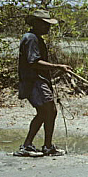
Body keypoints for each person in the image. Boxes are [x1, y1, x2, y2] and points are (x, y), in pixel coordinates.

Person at [14, 9, 72, 157]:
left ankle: (44, 146)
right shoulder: (31, 38)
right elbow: (33, 62)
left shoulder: (36, 38)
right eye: (45, 24)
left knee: (47, 112)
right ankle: (30, 146)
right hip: (34, 81)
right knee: (49, 111)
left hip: (38, 81)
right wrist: (57, 67)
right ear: (36, 23)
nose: (48, 27)